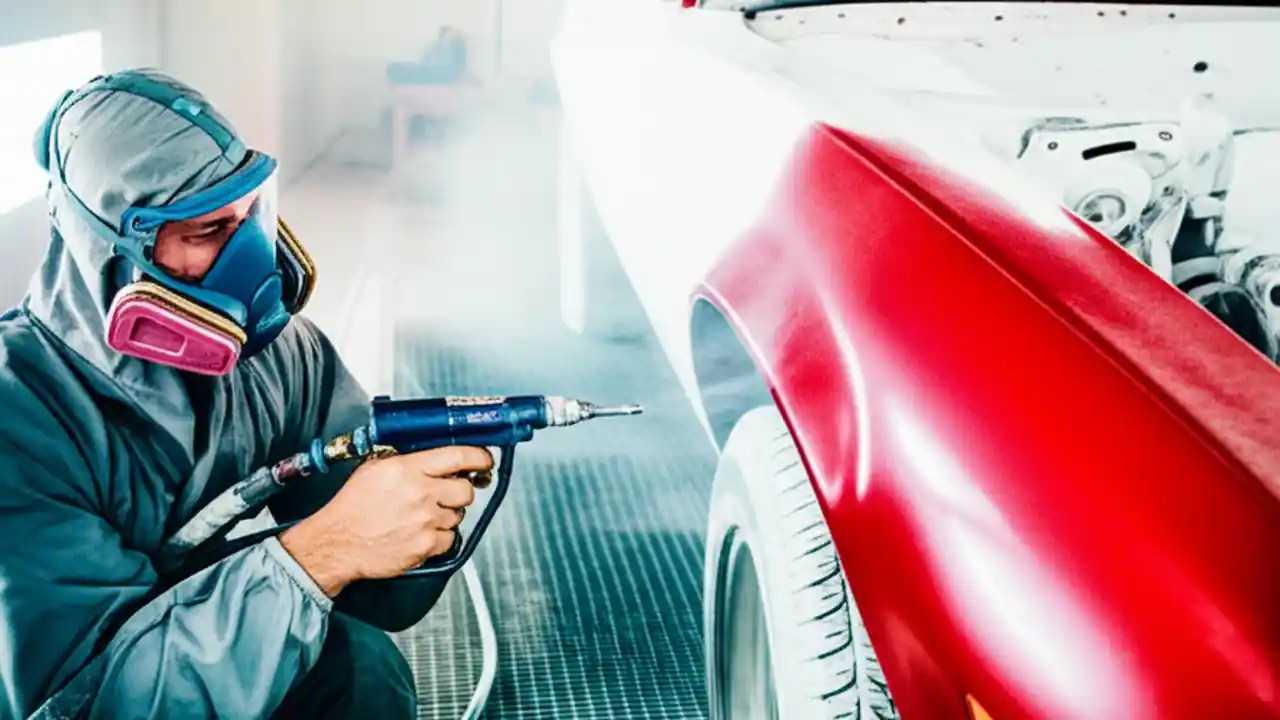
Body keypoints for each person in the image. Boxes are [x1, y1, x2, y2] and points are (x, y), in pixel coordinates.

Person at [0, 68, 492, 719]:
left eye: (250, 213)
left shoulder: (280, 359)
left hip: (199, 640)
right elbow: (94, 704)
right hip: (81, 683)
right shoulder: (20, 422)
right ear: (111, 253)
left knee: (360, 666)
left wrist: (412, 508)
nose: (254, 256)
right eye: (207, 233)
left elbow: (387, 596)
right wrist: (324, 551)